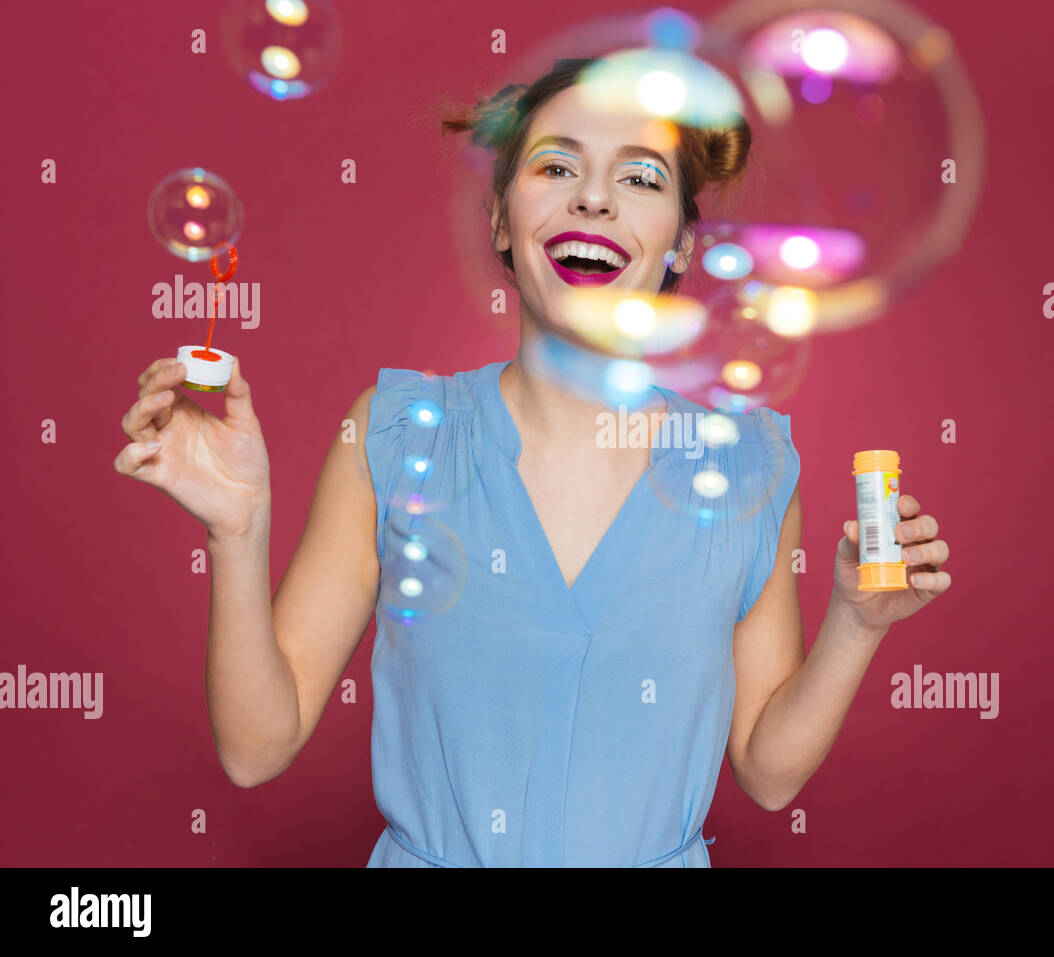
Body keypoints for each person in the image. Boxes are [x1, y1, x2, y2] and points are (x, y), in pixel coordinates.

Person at [114, 56, 952, 867]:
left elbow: (769, 775)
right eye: (556, 167)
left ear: (682, 246)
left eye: (640, 178)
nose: (593, 197)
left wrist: (856, 621)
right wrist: (238, 528)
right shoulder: (399, 436)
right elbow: (257, 748)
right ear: (500, 221)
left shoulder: (748, 466)